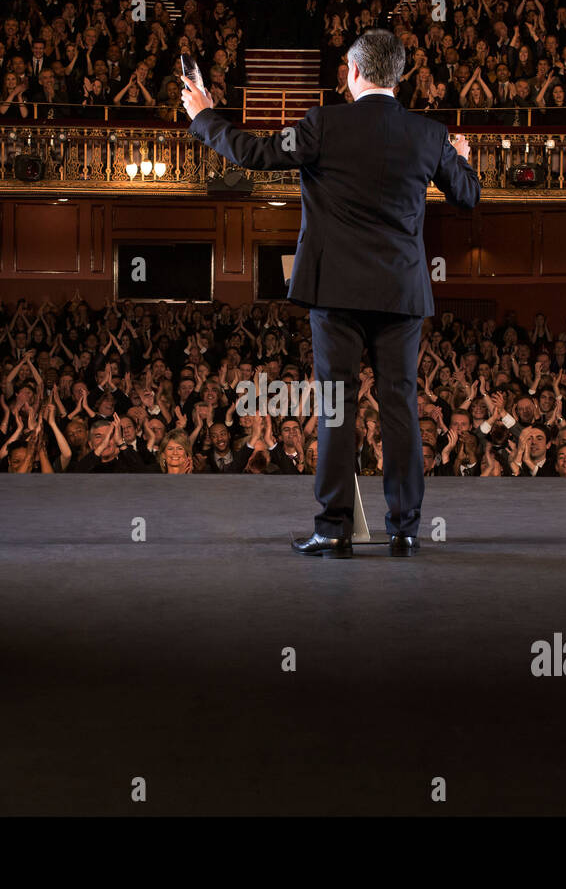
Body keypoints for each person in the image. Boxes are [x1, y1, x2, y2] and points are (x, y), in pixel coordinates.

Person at [181, 28, 481, 558]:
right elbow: (467, 195)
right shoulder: (428, 134)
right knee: (400, 408)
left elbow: (255, 152)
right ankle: (405, 529)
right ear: (401, 75)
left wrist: (204, 114)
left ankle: (334, 528)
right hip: (400, 293)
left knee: (338, 408)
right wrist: (461, 155)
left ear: (354, 72)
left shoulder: (324, 123)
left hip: (335, 292)